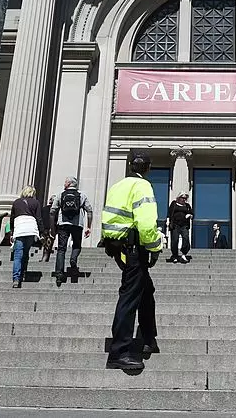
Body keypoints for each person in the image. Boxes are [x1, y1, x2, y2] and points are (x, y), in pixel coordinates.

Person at [102, 150, 162, 371]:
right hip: (135, 248)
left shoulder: (117, 186)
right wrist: (155, 247)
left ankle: (148, 338)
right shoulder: (142, 186)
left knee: (146, 291)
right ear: (147, 168)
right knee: (129, 298)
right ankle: (119, 352)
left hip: (119, 247)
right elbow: (146, 224)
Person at [51, 177, 94, 286]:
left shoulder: (60, 194)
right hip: (77, 224)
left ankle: (59, 274)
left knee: (61, 249)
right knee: (77, 245)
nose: (64, 183)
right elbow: (89, 210)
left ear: (69, 183)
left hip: (63, 224)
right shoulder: (82, 195)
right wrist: (88, 226)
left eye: (65, 181)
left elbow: (53, 211)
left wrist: (53, 227)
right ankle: (73, 259)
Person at [9, 186, 42, 288]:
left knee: (18, 254)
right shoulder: (36, 203)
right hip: (31, 228)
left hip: (19, 228)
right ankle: (23, 273)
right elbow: (39, 218)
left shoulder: (16, 202)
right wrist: (41, 232)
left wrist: (11, 232)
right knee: (26, 252)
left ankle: (16, 278)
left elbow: (12, 218)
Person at [166, 193, 193, 263]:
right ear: (179, 198)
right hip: (175, 224)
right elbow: (169, 213)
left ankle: (184, 254)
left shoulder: (187, 206)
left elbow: (192, 213)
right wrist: (168, 221)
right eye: (182, 198)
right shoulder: (174, 204)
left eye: (185, 198)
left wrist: (189, 215)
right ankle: (175, 255)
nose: (184, 199)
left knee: (186, 238)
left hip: (184, 225)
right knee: (175, 240)